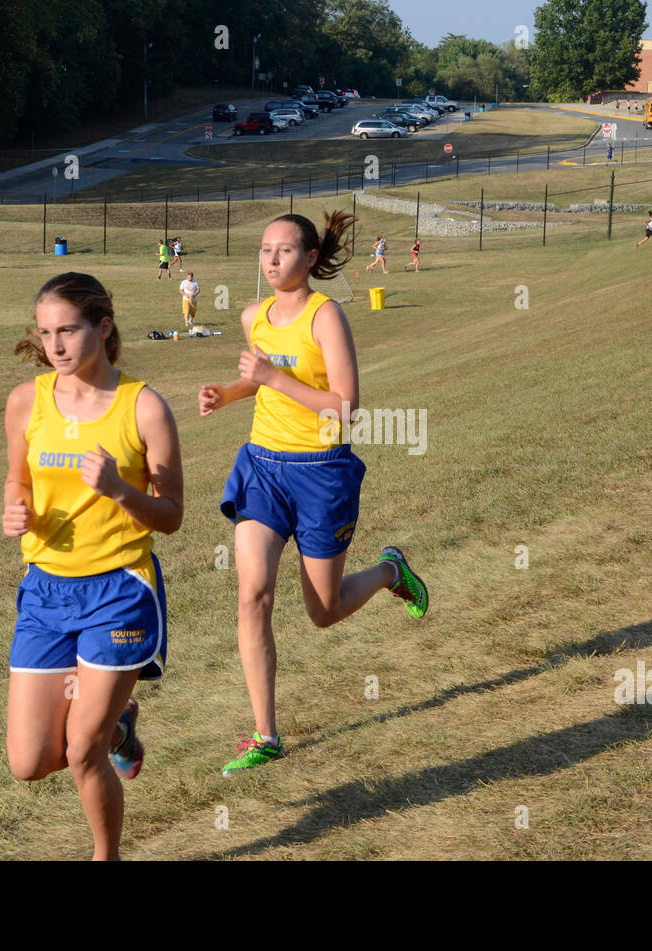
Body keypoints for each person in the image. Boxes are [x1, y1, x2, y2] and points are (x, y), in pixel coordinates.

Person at [197, 211, 428, 776]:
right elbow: (259, 381)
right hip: (262, 469)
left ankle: (389, 572)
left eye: (284, 250)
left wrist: (273, 378)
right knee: (252, 595)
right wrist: (225, 394)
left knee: (322, 612)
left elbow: (347, 405)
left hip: (322, 471)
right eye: (264, 249)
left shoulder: (327, 316)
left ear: (308, 259)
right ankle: (265, 735)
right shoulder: (255, 316)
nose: (271, 259)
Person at [2, 271, 184, 861]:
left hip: (119, 590)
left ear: (103, 328)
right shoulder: (26, 400)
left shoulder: (144, 407)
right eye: (46, 333)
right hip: (45, 591)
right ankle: (121, 722)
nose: (55, 346)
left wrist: (118, 489)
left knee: (83, 750)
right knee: (29, 763)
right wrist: (17, 510)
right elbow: (17, 479)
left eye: (69, 331)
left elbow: (172, 514)